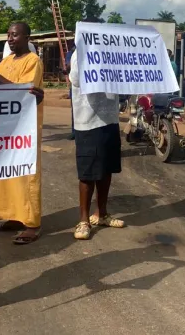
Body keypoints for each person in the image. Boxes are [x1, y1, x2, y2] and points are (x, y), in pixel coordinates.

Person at [0, 22, 45, 244]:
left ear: (27, 37)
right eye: (8, 35)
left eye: (15, 35)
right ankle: (14, 217)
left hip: (24, 130)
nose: (10, 39)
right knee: (7, 175)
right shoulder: (5, 62)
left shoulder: (33, 61)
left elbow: (23, 92)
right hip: (3, 129)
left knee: (26, 175)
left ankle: (32, 224)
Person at [69, 45, 125, 240]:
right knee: (88, 172)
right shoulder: (79, 54)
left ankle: (101, 213)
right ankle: (84, 220)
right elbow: (75, 79)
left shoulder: (113, 54)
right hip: (88, 121)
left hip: (109, 119)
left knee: (106, 169)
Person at [65, 45, 76, 140]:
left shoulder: (71, 52)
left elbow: (68, 67)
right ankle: (75, 131)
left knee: (75, 108)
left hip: (77, 85)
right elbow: (68, 66)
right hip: (77, 84)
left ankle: (75, 132)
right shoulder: (72, 51)